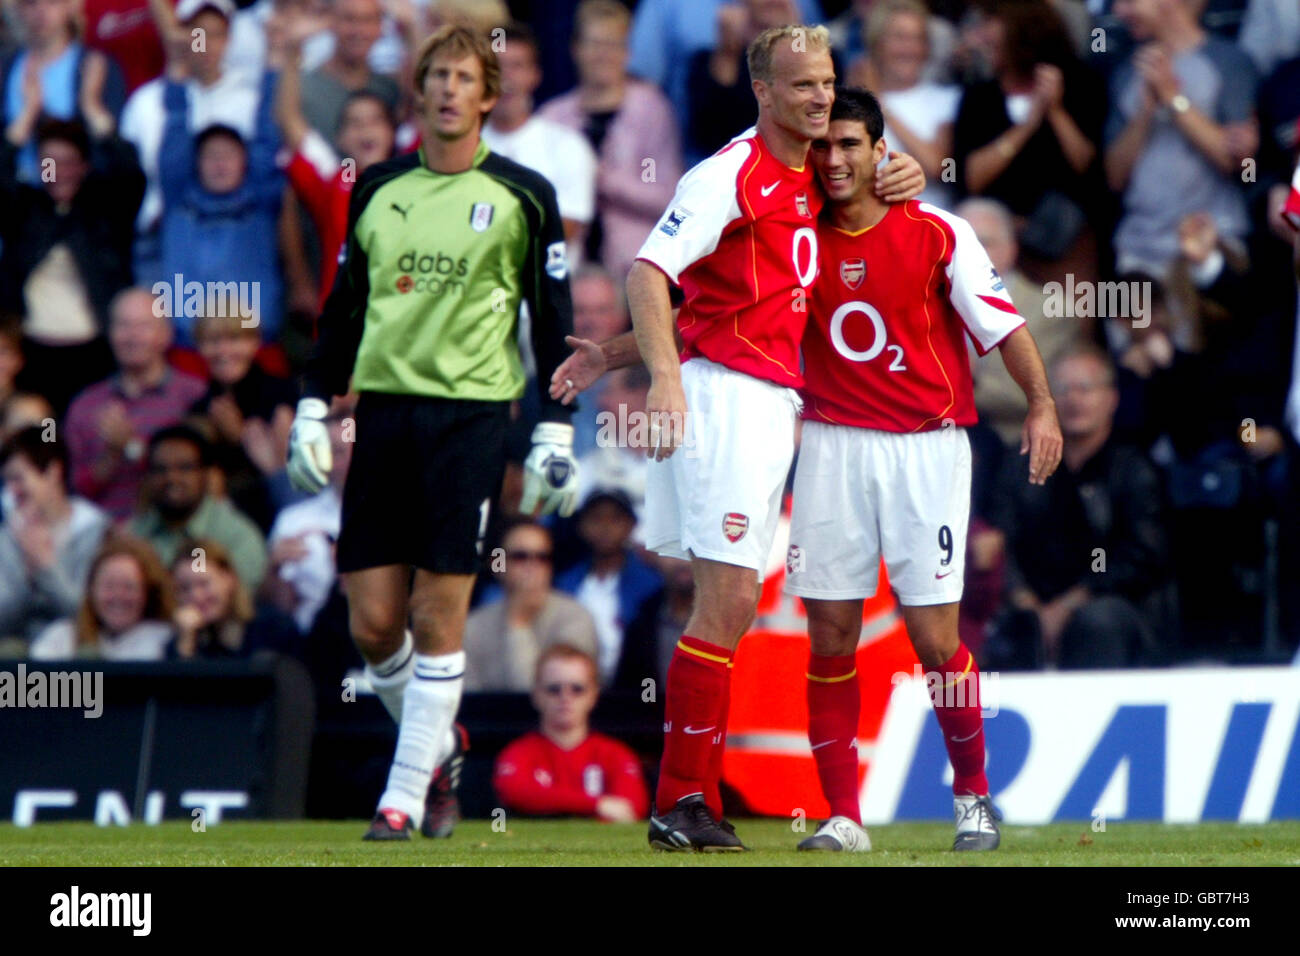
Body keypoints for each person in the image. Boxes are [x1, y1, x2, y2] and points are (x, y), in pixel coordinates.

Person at [551, 25, 925, 852]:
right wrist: (667, 381)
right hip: (726, 398)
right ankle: (681, 799)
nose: (819, 97)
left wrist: (611, 354)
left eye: (826, 82)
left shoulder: (807, 175)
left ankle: (686, 800)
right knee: (727, 602)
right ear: (762, 91)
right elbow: (649, 272)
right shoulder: (731, 172)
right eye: (801, 86)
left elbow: (711, 304)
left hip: (759, 397)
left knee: (726, 603)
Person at [286, 25, 581, 842]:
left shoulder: (525, 193)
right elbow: (342, 309)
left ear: (488, 96)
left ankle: (403, 797)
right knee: (374, 624)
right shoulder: (377, 186)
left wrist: (557, 427)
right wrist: (314, 404)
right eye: (436, 76)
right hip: (382, 415)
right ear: (417, 92)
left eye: (463, 77)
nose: (449, 89)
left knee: (435, 611)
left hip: (474, 421)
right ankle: (440, 743)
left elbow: (552, 323)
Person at [784, 88, 1061, 852]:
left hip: (926, 445)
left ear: (881, 152)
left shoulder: (938, 231)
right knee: (831, 633)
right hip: (831, 443)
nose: (833, 159)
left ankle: (974, 798)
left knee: (935, 637)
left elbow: (1002, 326)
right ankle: (843, 815)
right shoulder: (794, 232)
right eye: (822, 146)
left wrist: (1040, 404)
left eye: (851, 145)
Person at [990, 346, 1171, 668]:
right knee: (1012, 626)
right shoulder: (1020, 466)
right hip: (1029, 601)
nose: (1074, 399)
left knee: (1097, 621)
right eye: (1062, 390)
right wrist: (1025, 600)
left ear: (1111, 399)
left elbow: (1144, 554)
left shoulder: (1132, 469)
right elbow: (999, 538)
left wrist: (1074, 601)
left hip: (1109, 603)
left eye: (1085, 389)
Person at [0, 117, 144, 415]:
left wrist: (97, 115)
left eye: (68, 162)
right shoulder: (24, 211)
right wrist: (23, 123)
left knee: (85, 426)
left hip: (92, 353)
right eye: (49, 163)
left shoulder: (106, 213)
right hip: (35, 352)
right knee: (46, 432)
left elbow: (130, 174)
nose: (58, 172)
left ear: (84, 166)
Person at [1105, 0, 1258, 275]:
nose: (1119, 12)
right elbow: (1114, 179)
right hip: (1139, 249)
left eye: (1129, 2)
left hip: (1212, 241)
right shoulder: (1126, 70)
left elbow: (1242, 166)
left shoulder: (1230, 61)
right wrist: (1145, 112)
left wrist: (1172, 97)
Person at [539, 0, 682, 281]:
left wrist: (605, 180)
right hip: (566, 271)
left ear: (627, 52)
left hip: (634, 268)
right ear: (575, 49)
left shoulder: (650, 109)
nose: (603, 54)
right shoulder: (551, 118)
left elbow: (667, 197)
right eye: (594, 43)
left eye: (613, 44)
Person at [156, 54, 284, 346]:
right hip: (188, 348)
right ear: (196, 164)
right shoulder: (178, 203)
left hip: (256, 346)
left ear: (245, 163)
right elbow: (175, 135)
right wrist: (177, 74)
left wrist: (274, 62)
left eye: (229, 155)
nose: (220, 164)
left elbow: (267, 136)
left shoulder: (262, 203)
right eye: (211, 156)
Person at [64, 288, 207, 521]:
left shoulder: (193, 395)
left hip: (176, 538)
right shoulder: (84, 406)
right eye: (123, 325)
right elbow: (73, 494)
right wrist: (110, 458)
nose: (132, 336)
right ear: (110, 333)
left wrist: (131, 448)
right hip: (103, 541)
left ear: (166, 335)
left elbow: (204, 483)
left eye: (143, 326)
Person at [961, 197, 1081, 446]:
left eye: (983, 242)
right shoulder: (925, 302)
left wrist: (950, 383)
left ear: (1011, 249)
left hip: (1012, 450)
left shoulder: (1051, 308)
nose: (968, 253)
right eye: (958, 243)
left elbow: (1028, 394)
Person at [493, 643, 650, 821]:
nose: (565, 697)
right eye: (554, 689)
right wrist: (597, 805)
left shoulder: (615, 754)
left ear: (593, 695)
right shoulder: (518, 752)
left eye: (577, 689)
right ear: (536, 694)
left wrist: (553, 801)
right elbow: (514, 792)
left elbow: (633, 806)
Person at [481, 22, 597, 261]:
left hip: (545, 290)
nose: (506, 77)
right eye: (497, 66)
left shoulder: (568, 145)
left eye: (517, 66)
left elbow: (566, 228)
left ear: (535, 75)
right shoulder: (461, 146)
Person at [0, 425, 112, 645]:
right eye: (6, 481)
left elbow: (89, 614)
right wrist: (26, 568)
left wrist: (45, 567)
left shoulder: (96, 532)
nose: (11, 491)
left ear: (53, 472)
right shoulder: (6, 538)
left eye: (18, 478)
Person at [128, 424, 269, 593]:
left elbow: (240, 602)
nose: (172, 478)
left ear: (206, 475)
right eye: (160, 469)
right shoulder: (134, 535)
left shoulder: (236, 535)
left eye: (185, 468)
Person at [464, 518, 598, 691]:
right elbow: (468, 701)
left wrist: (518, 624)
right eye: (520, 557)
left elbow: (538, 695)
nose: (533, 566)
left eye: (543, 557)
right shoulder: (473, 626)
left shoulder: (575, 617)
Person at [555, 488, 662, 684]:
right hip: (573, 685)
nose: (605, 527)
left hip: (631, 689)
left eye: (615, 519)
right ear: (581, 526)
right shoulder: (564, 583)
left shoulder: (652, 584)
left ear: (631, 525)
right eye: (596, 519)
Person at [29, 534, 175, 660]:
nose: (118, 596)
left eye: (129, 587)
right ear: (91, 590)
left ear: (147, 592)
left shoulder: (166, 641)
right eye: (108, 586)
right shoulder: (61, 638)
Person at [168, 537, 299, 659]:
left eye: (204, 584)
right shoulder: (181, 641)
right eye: (185, 588)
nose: (196, 596)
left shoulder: (272, 629)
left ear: (229, 579)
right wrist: (185, 644)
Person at [298, 0, 401, 150]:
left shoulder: (389, 88)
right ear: (331, 22)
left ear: (380, 27)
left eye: (368, 20)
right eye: (349, 19)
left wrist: (411, 29)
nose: (359, 30)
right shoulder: (304, 87)